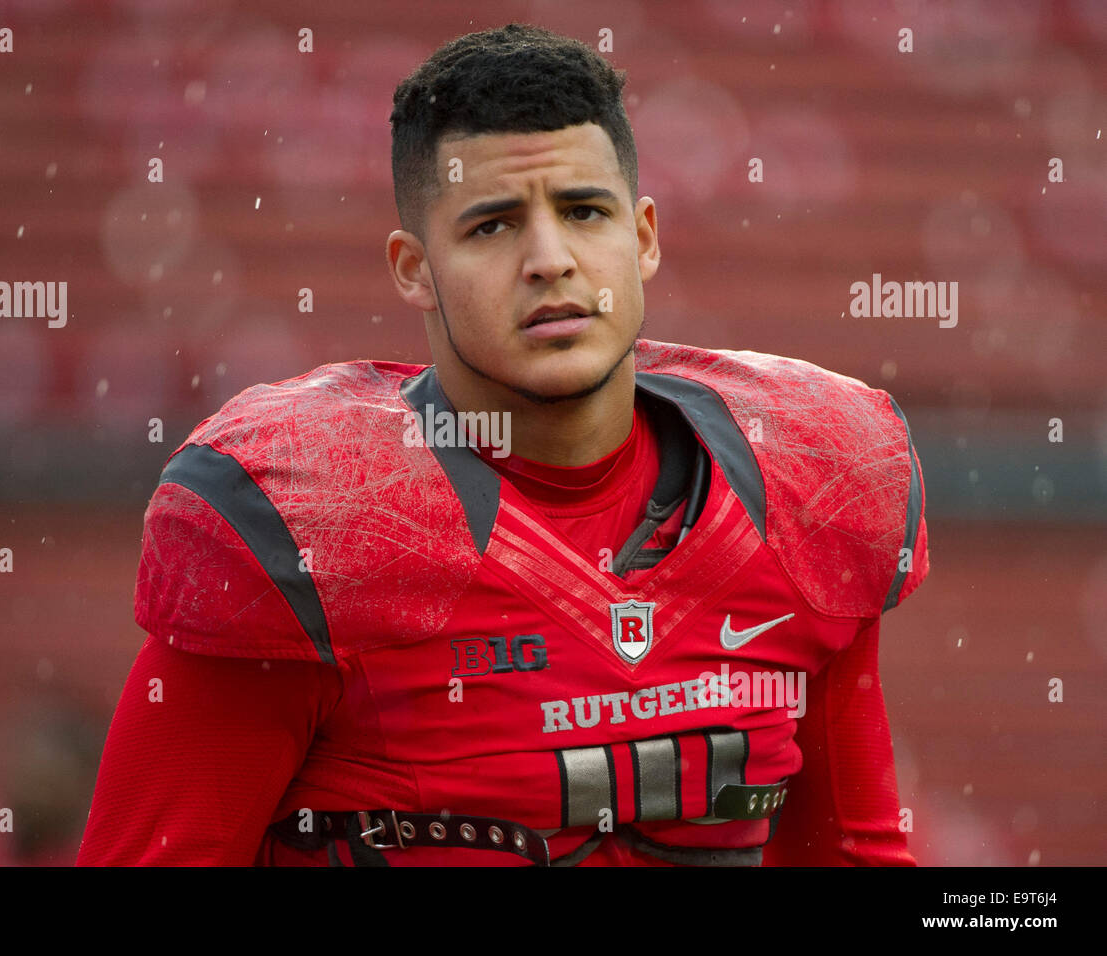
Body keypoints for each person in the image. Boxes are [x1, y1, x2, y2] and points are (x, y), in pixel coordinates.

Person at [77, 22, 929, 867]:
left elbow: (853, 854)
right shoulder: (311, 533)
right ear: (414, 269)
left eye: (584, 211)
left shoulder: (804, 488)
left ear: (642, 237)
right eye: (492, 226)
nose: (550, 259)